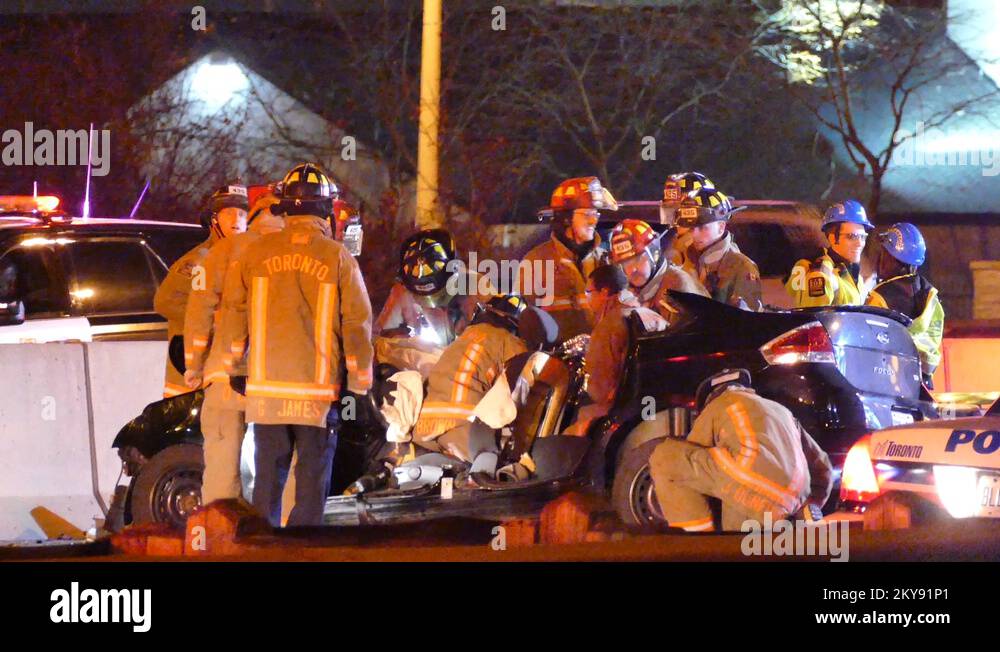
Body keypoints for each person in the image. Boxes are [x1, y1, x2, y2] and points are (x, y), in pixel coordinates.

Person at [223, 162, 374, 527]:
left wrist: (236, 369)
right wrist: (359, 384)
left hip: (266, 395)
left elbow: (233, 315)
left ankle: (259, 555)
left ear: (285, 208)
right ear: (325, 209)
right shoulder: (338, 258)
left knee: (265, 490)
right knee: (309, 489)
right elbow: (357, 325)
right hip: (317, 397)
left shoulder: (254, 255)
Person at [183, 188, 284, 505]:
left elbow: (198, 310)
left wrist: (193, 364)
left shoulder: (223, 252)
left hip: (227, 375)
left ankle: (219, 538)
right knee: (277, 465)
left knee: (223, 464)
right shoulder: (303, 253)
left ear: (253, 216)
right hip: (283, 380)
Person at [647, 369, 834, 532]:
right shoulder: (782, 411)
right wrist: (811, 503)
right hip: (792, 500)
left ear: (709, 398)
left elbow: (689, 469)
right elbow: (823, 465)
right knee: (733, 481)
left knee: (666, 457)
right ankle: (799, 519)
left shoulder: (716, 406)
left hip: (754, 493)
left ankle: (697, 544)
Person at [411, 294, 529, 477]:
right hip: (462, 423)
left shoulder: (465, 336)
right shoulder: (510, 343)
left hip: (423, 424)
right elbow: (520, 388)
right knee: (506, 470)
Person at [154, 184, 248, 397]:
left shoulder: (246, 260)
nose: (237, 220)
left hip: (222, 374)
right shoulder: (200, 262)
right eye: (229, 213)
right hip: (189, 378)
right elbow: (166, 301)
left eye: (242, 214)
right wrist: (210, 323)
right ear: (214, 219)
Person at [563, 266, 667, 436]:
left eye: (589, 292)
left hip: (621, 414)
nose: (587, 300)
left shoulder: (609, 326)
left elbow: (599, 390)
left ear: (604, 292)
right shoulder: (650, 314)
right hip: (654, 407)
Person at [373, 229, 495, 374]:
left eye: (440, 295)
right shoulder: (402, 293)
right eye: (422, 298)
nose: (432, 305)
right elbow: (379, 339)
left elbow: (496, 340)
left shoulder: (478, 287)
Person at [521, 177, 613, 342]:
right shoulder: (536, 263)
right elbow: (523, 323)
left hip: (600, 359)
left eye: (596, 213)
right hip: (556, 361)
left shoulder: (606, 261)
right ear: (565, 218)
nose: (594, 220)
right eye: (587, 214)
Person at [866, 222, 945, 387]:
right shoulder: (931, 295)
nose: (881, 260)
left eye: (884, 254)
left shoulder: (881, 295)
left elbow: (869, 342)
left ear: (892, 257)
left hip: (889, 380)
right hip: (924, 382)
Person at [674, 188, 761, 309]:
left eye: (702, 228)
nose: (695, 234)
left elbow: (749, 322)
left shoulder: (741, 267)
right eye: (692, 228)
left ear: (721, 227)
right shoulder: (687, 261)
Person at [608, 219, 708, 320]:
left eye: (637, 260)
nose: (631, 271)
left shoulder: (678, 288)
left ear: (654, 253)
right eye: (624, 264)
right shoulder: (630, 293)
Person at [785, 199, 874, 308]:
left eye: (863, 237)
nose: (860, 243)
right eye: (852, 236)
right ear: (832, 238)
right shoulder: (821, 273)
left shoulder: (851, 271)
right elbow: (814, 321)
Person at [659, 172, 714, 267]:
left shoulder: (700, 244)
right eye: (669, 206)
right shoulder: (675, 238)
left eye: (676, 206)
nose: (673, 213)